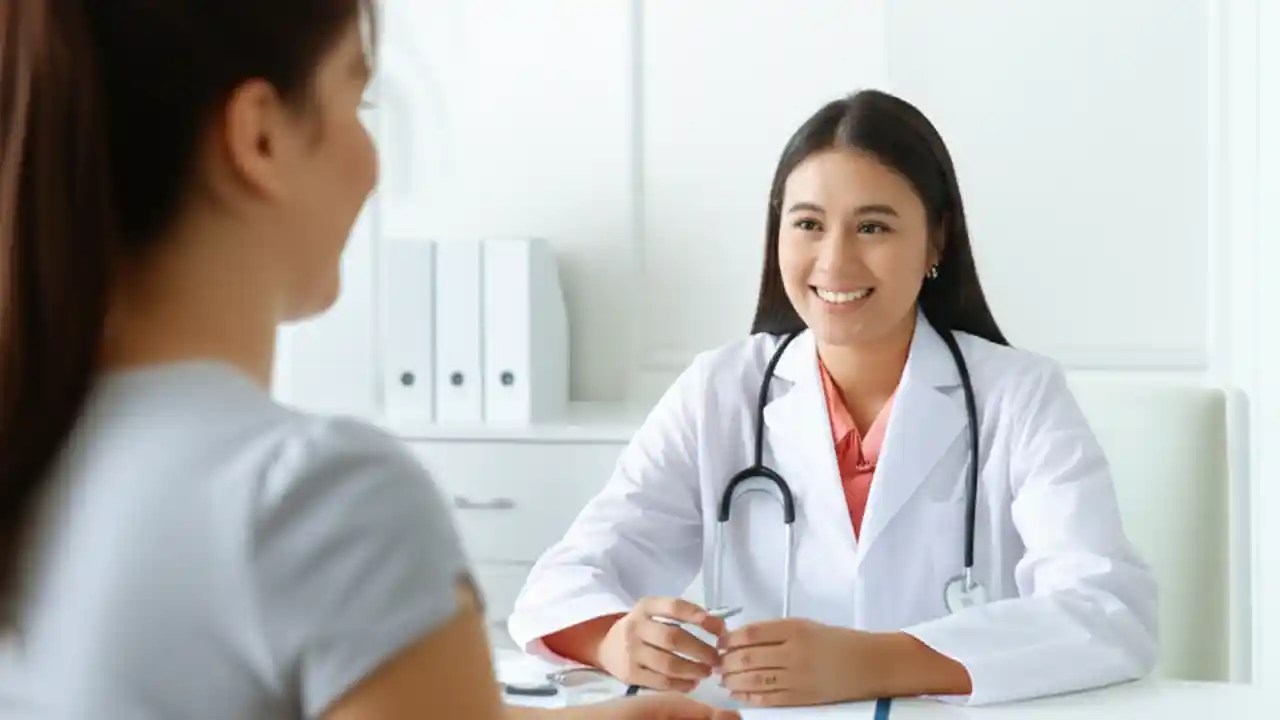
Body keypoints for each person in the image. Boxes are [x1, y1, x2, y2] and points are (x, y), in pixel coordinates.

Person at [0, 1, 739, 718]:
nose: (373, 165)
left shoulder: (43, 442)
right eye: (358, 101)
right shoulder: (317, 500)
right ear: (260, 139)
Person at [508, 90, 1159, 708]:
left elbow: (1108, 610)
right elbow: (568, 577)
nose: (835, 260)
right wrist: (616, 640)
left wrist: (875, 661)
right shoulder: (719, 391)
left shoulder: (1019, 396)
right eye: (809, 225)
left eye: (872, 226)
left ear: (935, 239)